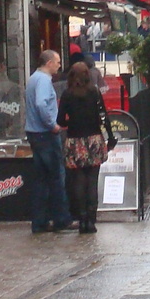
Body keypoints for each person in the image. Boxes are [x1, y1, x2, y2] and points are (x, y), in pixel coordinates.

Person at [56, 62, 116, 233]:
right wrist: (110, 137)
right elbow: (103, 116)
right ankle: (91, 219)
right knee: (92, 181)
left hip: (75, 141)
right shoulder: (94, 92)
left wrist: (71, 121)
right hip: (94, 139)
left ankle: (82, 219)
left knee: (79, 181)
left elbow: (60, 120)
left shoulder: (67, 94)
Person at [25, 49, 72, 233]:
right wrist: (52, 124)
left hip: (34, 133)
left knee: (41, 180)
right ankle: (61, 219)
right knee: (56, 177)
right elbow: (41, 103)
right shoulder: (44, 80)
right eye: (57, 62)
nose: (59, 65)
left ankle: (40, 221)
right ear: (49, 63)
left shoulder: (33, 78)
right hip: (45, 134)